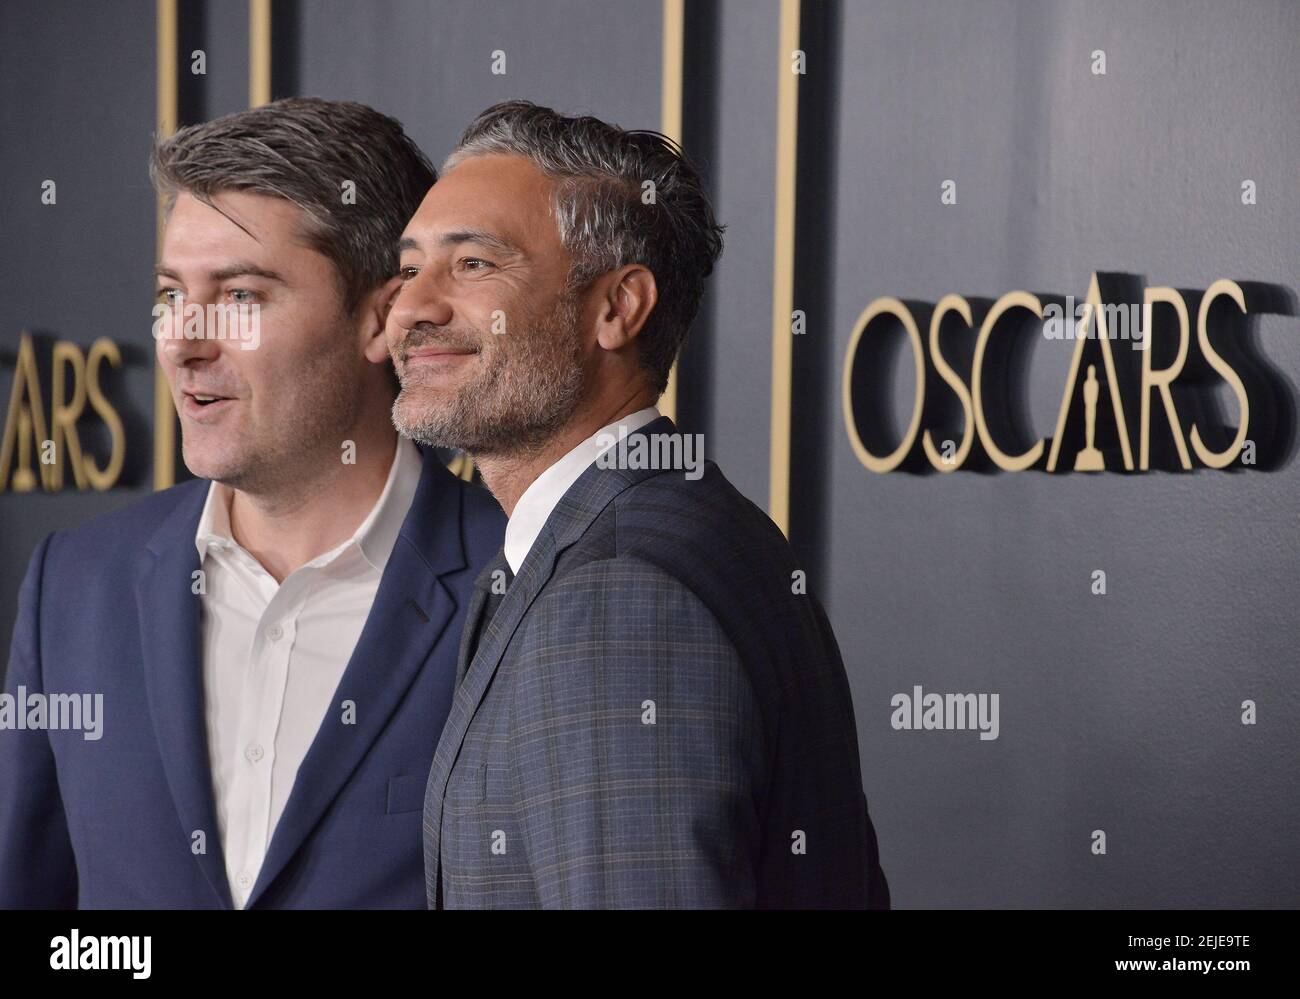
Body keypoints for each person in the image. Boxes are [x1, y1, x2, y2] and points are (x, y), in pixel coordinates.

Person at [0, 98, 504, 908]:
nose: (184, 341)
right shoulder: (77, 583)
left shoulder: (518, 584)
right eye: (171, 294)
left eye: (239, 296)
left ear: (382, 319)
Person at [390, 100, 888, 908]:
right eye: (410, 267)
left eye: (474, 264)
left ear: (617, 308)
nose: (410, 308)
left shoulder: (619, 593)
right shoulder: (665, 531)